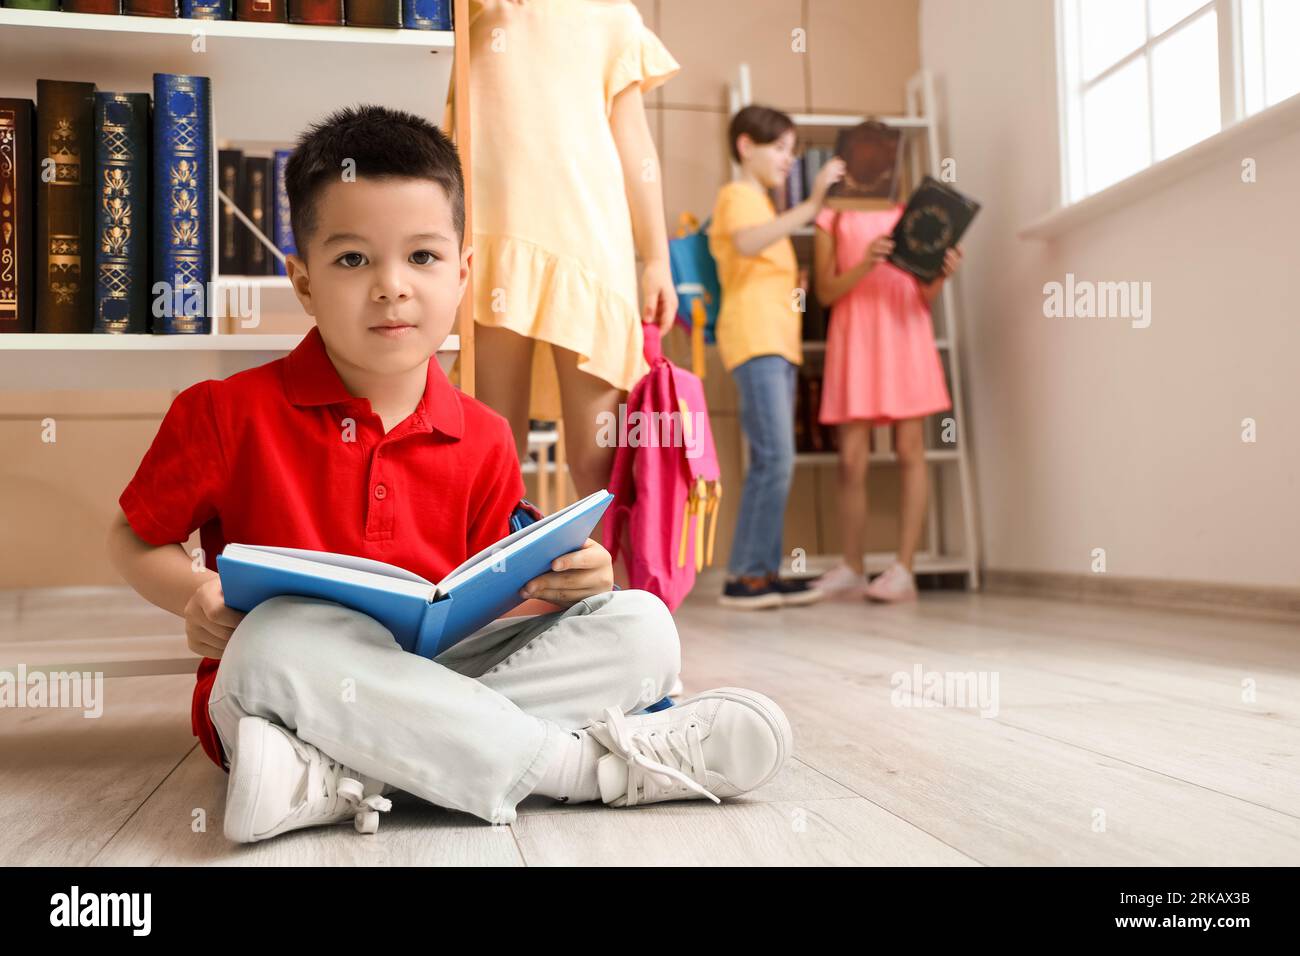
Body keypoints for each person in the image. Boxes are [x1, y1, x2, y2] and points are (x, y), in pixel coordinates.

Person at [106, 105, 792, 843]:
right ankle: (584, 771)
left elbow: (494, 603)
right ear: (302, 282)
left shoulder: (486, 435)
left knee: (643, 627)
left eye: (423, 258)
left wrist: (570, 582)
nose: (391, 287)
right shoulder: (224, 411)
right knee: (272, 641)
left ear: (464, 274)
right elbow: (130, 538)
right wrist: (195, 595)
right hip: (282, 691)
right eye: (352, 259)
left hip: (437, 678)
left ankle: (335, 779)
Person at [468, 0, 680, 499]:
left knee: (597, 457)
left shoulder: (611, 14)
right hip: (495, 236)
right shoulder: (470, 9)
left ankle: (605, 577)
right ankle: (500, 576)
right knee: (496, 449)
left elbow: (635, 146)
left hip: (591, 243)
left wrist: (657, 261)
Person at [709, 105, 845, 609]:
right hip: (756, 339)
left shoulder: (764, 204)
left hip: (775, 342)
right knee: (775, 458)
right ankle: (744, 575)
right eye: (781, 148)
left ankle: (761, 571)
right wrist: (812, 205)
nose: (789, 159)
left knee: (774, 458)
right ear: (746, 145)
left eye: (793, 150)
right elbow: (745, 244)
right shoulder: (738, 196)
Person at [809, 196, 962, 602]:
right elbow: (824, 292)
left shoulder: (909, 211)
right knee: (850, 458)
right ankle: (853, 566)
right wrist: (866, 262)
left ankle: (904, 569)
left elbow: (923, 293)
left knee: (910, 450)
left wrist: (942, 277)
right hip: (855, 331)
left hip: (906, 327)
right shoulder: (832, 213)